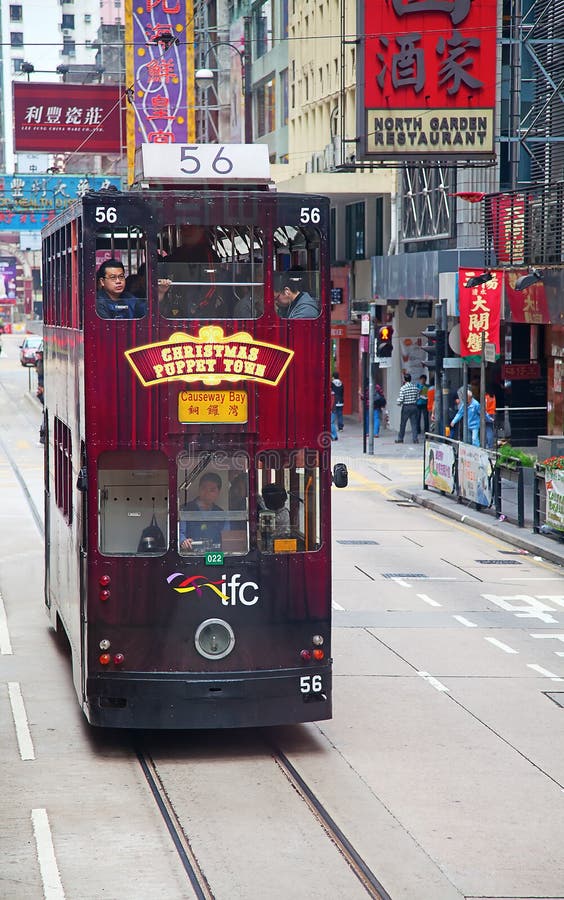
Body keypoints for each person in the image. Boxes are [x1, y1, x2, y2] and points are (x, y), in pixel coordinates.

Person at [159, 225, 229, 318]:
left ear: (201, 230)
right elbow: (164, 265)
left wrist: (198, 306)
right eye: (183, 229)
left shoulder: (208, 254)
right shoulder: (181, 252)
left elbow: (212, 286)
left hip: (202, 312)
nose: (186, 232)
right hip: (180, 304)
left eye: (190, 228)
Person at [179, 472, 227, 551]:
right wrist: (183, 541)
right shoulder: (185, 509)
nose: (207, 493)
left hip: (213, 557)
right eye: (204, 488)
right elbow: (179, 533)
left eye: (212, 490)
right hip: (190, 555)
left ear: (218, 493)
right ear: (199, 489)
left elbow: (226, 536)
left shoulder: (221, 514)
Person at [395, 373, 420, 444]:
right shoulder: (415, 387)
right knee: (414, 424)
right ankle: (415, 439)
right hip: (414, 406)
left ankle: (400, 438)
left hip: (406, 407)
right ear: (410, 379)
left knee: (403, 424)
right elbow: (418, 398)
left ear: (404, 380)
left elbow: (401, 399)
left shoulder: (403, 388)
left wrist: (398, 403)